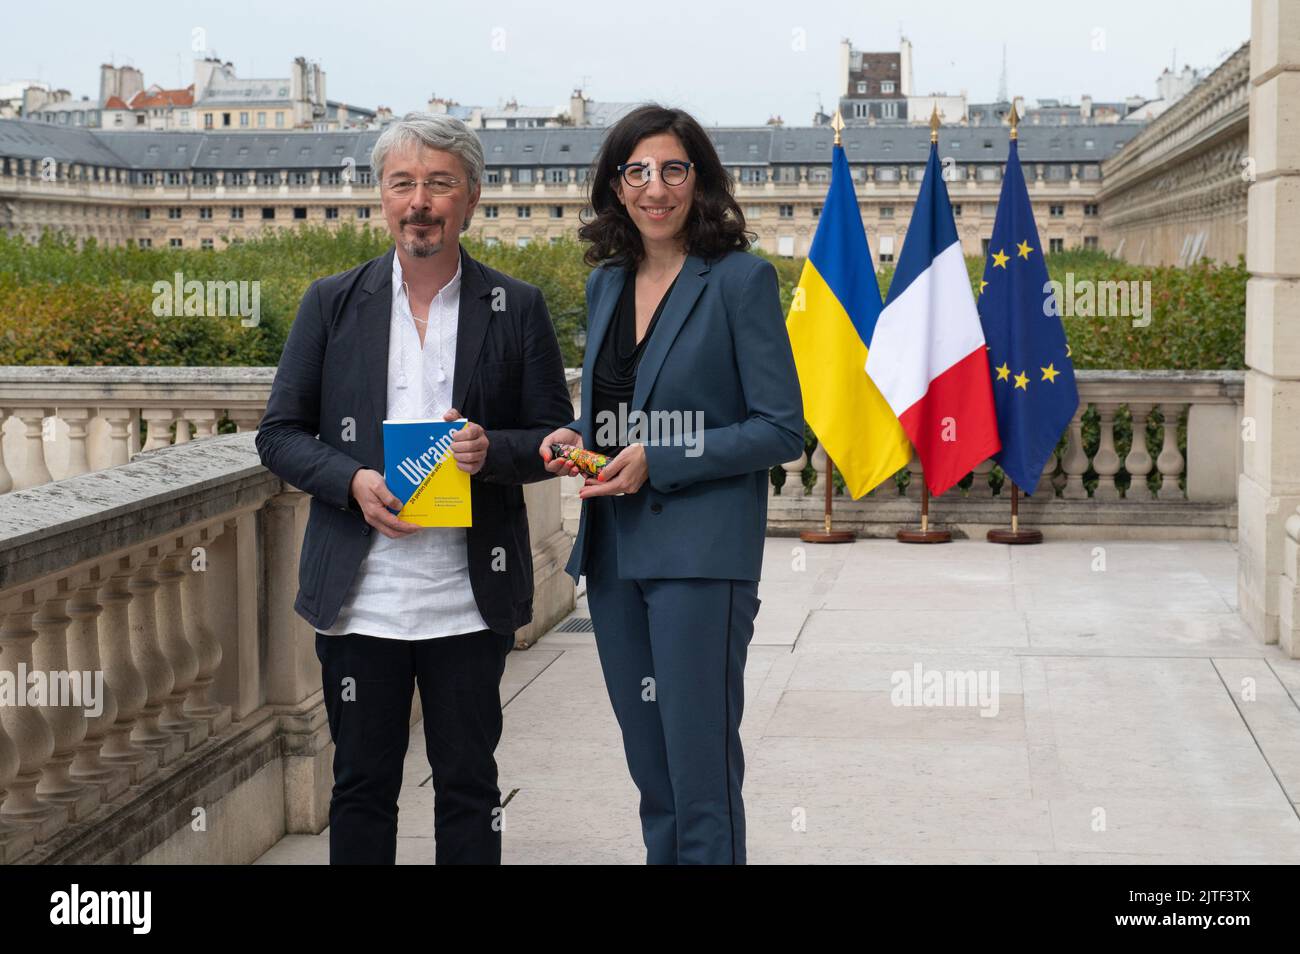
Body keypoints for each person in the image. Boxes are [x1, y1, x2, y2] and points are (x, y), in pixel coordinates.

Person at [257, 112, 573, 864]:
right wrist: (353, 480)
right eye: (404, 184)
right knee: (362, 789)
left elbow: (554, 441)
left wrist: (490, 448)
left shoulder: (516, 306)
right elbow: (279, 435)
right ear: (382, 197)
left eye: (439, 184)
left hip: (469, 601)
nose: (420, 201)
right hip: (360, 603)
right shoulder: (330, 303)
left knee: (469, 788)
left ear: (470, 197)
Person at [540, 104, 804, 864]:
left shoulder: (741, 281)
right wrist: (578, 445)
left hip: (699, 556)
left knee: (700, 778)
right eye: (638, 171)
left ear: (700, 181)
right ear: (616, 186)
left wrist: (662, 456)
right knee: (652, 773)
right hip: (616, 554)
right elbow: (617, 418)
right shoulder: (606, 286)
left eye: (673, 170)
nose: (655, 188)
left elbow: (781, 429)